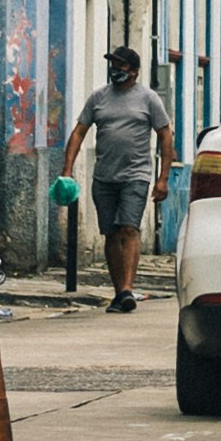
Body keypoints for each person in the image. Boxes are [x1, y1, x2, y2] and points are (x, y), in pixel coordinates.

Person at [63, 47, 175, 313]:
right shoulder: (98, 98)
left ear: (134, 71)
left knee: (129, 228)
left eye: (121, 66)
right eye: (113, 64)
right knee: (110, 234)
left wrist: (163, 179)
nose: (116, 70)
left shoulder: (148, 99)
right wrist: (67, 169)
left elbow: (165, 135)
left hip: (135, 175)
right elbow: (79, 132)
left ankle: (126, 289)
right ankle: (118, 292)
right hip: (104, 177)